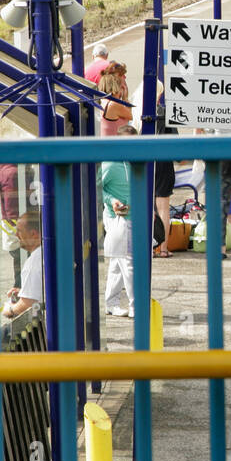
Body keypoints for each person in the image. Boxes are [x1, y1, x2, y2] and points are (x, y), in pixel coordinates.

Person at [99, 126, 138, 318]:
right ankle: (135, 306)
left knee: (117, 261)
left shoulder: (135, 161)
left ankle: (111, 303)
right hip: (118, 219)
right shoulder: (110, 163)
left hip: (132, 217)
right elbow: (98, 187)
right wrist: (112, 201)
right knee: (128, 261)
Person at [3, 211, 44, 319]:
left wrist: (10, 309)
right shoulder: (47, 253)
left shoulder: (34, 263)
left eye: (19, 231)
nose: (16, 235)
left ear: (33, 234)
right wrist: (23, 292)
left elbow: (27, 304)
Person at [153, 82, 176, 256]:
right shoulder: (165, 113)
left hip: (144, 161)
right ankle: (164, 248)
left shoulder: (136, 111)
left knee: (147, 207)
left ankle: (150, 247)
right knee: (163, 207)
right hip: (163, 161)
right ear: (160, 94)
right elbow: (175, 143)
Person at [98, 62, 133, 137]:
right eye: (122, 76)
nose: (125, 78)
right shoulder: (113, 105)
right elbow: (130, 116)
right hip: (113, 146)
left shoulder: (105, 101)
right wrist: (125, 98)